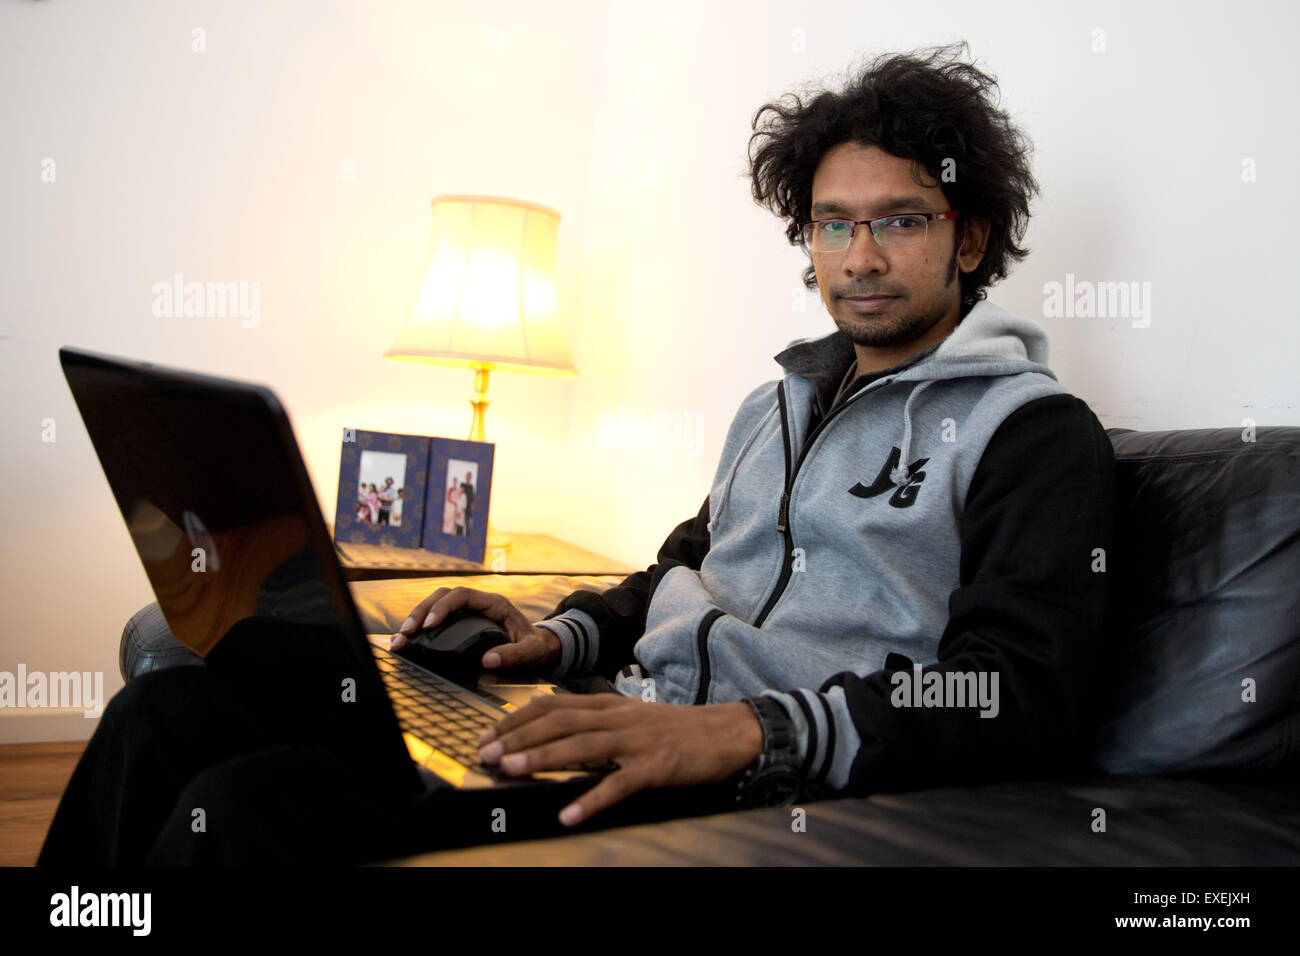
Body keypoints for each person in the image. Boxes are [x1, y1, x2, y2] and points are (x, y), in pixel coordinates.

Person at [39, 41, 1114, 865]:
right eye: (831, 224)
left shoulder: (1031, 432)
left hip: (750, 768)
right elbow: (682, 569)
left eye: (899, 221)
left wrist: (747, 731)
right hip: (622, 713)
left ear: (968, 238)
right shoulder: (773, 403)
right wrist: (555, 632)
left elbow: (1014, 691)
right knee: (163, 710)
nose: (859, 256)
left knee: (240, 806)